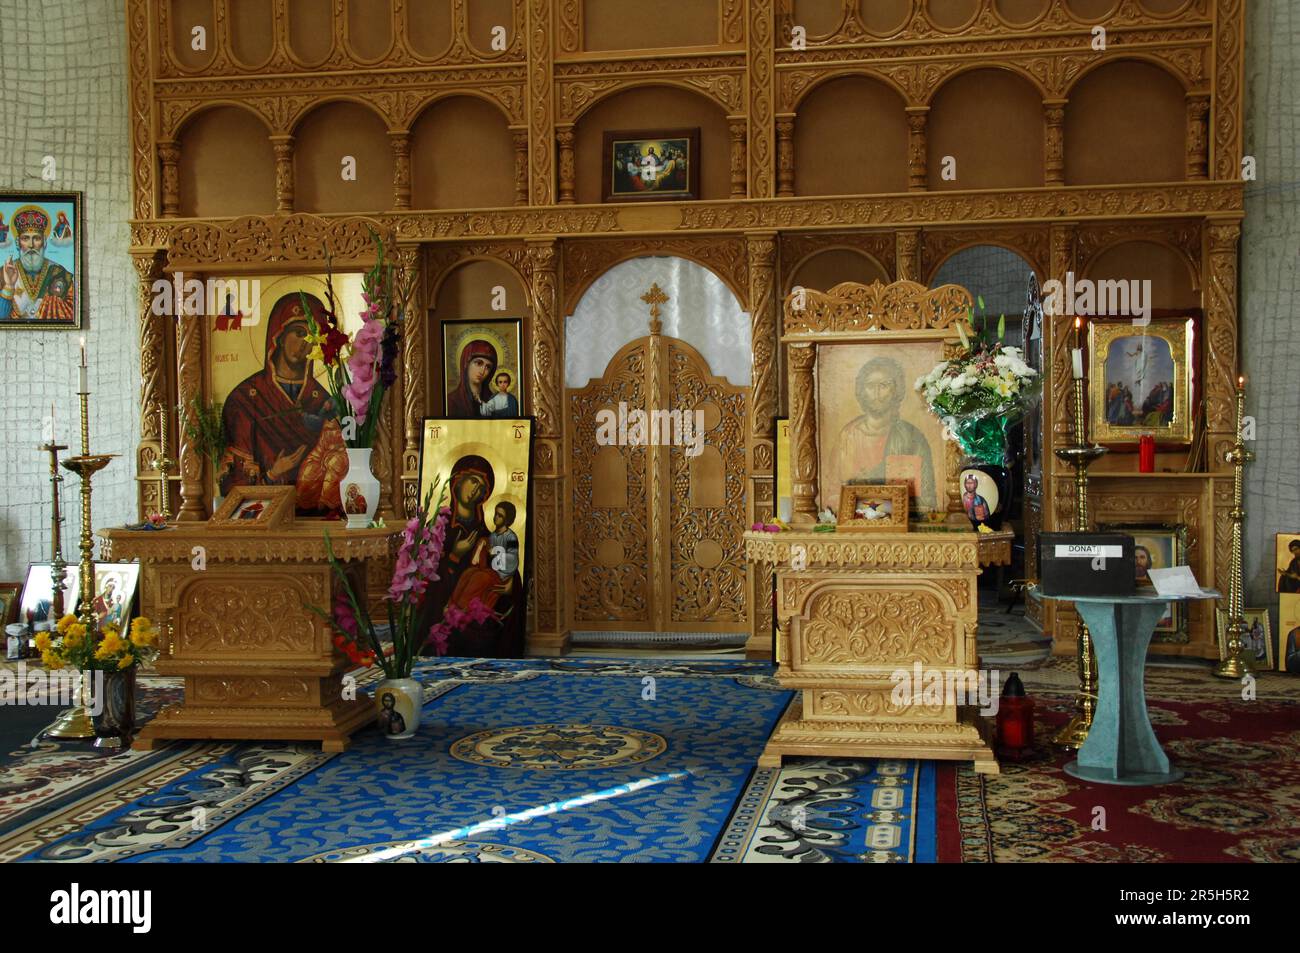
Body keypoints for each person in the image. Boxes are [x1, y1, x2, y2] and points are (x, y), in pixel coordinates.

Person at [220, 293, 346, 516]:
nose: (306, 344)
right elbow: (232, 487)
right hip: (262, 522)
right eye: (299, 333)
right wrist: (272, 475)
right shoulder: (244, 400)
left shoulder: (323, 401)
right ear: (278, 336)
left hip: (317, 520)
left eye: (312, 337)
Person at [417, 456, 525, 658]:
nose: (476, 490)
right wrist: (455, 556)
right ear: (458, 479)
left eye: (482, 488)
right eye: (473, 481)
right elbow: (425, 573)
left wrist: (511, 584)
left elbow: (500, 564)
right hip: (442, 609)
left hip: (476, 608)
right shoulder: (440, 525)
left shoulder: (485, 530)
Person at [837, 356, 935, 511]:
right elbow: (836, 492)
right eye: (870, 385)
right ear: (861, 391)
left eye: (884, 385)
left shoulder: (911, 437)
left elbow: (925, 498)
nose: (876, 392)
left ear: (897, 390)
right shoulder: (848, 435)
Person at [0, 206, 76, 323]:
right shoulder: (3, 273)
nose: (31, 245)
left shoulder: (59, 273)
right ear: (17, 242)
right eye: (25, 238)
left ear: (44, 241)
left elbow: (72, 312)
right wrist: (9, 286)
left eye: (36, 238)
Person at [446, 340, 498, 418]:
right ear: (466, 364)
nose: (482, 371)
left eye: (488, 367)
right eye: (478, 363)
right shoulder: (452, 401)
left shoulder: (493, 400)